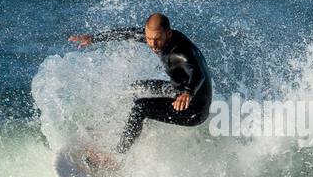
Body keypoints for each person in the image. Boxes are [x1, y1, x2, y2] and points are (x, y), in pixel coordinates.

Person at [68, 13, 213, 154]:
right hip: (177, 91)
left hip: (194, 109)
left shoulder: (182, 53)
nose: (152, 44)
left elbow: (197, 73)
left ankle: (119, 153)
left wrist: (188, 92)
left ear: (168, 34)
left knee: (141, 106)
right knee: (137, 87)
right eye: (149, 38)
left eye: (157, 40)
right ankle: (114, 127)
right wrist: (94, 38)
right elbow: (129, 33)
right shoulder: (157, 36)